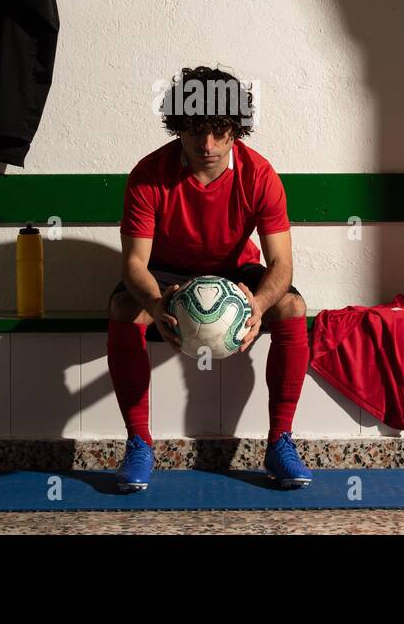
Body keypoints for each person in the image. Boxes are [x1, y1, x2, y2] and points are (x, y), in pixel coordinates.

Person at [105, 65, 313, 491]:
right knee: (125, 306)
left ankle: (280, 441)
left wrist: (256, 305)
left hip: (236, 273)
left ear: (237, 130)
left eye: (220, 132)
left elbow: (281, 266)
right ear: (178, 127)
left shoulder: (260, 176)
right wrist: (159, 305)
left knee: (292, 305)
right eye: (196, 131)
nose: (208, 145)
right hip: (166, 273)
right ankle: (139, 443)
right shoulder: (148, 175)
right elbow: (133, 266)